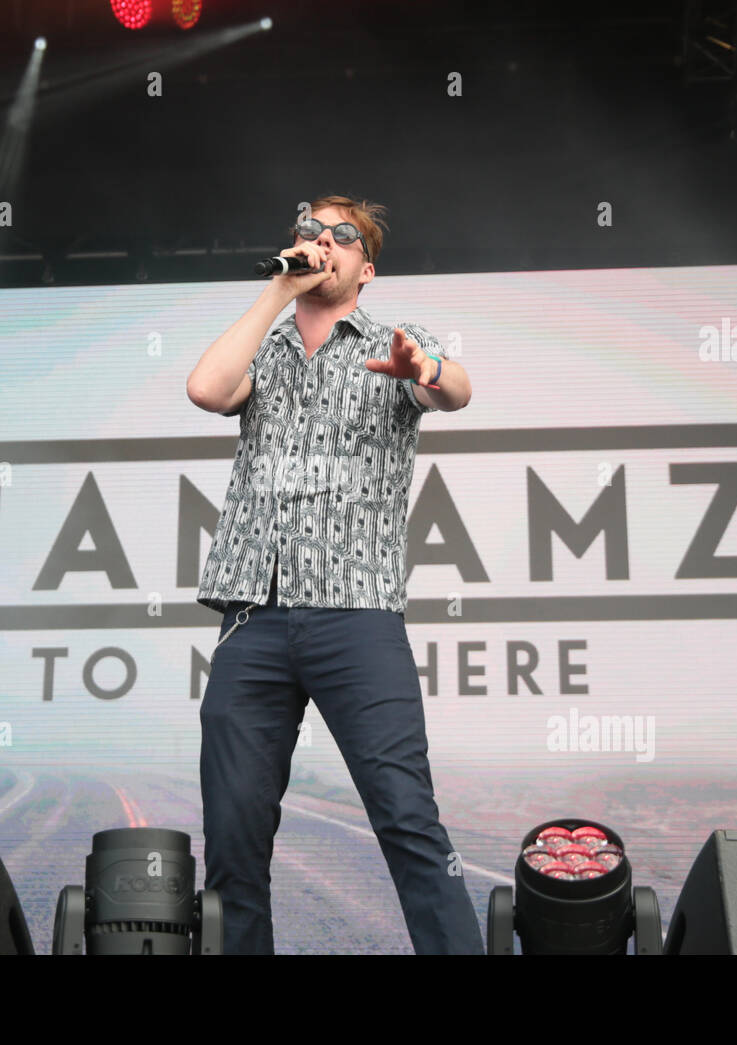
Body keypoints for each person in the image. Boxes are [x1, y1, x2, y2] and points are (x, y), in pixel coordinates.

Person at [186, 195, 479, 954]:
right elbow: (207, 389)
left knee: (408, 816)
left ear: (366, 267)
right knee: (234, 836)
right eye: (310, 231)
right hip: (255, 616)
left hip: (357, 614)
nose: (323, 241)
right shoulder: (267, 349)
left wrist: (430, 367)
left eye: (341, 235)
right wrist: (277, 289)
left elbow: (454, 390)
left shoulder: (394, 344)